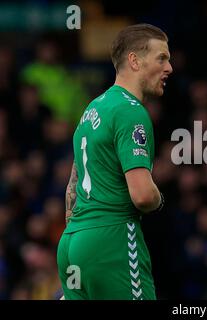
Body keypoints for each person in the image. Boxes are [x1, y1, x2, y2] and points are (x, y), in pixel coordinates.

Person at [57, 23, 173, 300]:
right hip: (112, 240)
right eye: (162, 58)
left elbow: (72, 185)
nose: (169, 67)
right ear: (134, 60)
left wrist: (85, 241)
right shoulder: (130, 111)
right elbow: (143, 196)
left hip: (73, 243)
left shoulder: (92, 108)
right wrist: (160, 198)